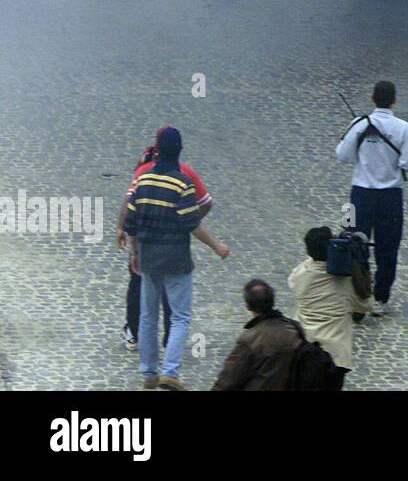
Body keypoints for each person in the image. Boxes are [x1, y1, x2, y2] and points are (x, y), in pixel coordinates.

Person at [116, 126, 228, 351]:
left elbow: (130, 205)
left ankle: (135, 338)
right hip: (174, 248)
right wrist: (184, 222)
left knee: (140, 293)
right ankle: (170, 346)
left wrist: (123, 231)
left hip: (146, 245)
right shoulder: (186, 174)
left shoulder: (143, 173)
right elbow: (206, 202)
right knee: (174, 298)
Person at [124, 127, 207, 391]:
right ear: (180, 151)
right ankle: (170, 371)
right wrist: (218, 247)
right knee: (180, 316)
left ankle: (149, 373)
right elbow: (193, 222)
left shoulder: (143, 179)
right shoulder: (183, 183)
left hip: (148, 256)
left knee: (148, 316)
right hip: (176, 258)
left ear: (156, 150)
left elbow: (131, 221)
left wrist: (135, 252)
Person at [335, 80, 408, 316]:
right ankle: (381, 298)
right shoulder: (403, 127)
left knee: (353, 244)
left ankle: (357, 297)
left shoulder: (359, 123)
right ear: (394, 100)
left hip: (358, 195)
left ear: (373, 98)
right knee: (388, 247)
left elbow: (342, 155)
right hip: (391, 196)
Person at [289, 227, 367, 388]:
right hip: (335, 355)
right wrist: (358, 265)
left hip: (304, 350)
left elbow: (297, 275)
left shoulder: (300, 275)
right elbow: (365, 305)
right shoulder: (346, 282)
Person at [212, 280, 303, 391]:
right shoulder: (295, 329)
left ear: (248, 306)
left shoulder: (249, 340)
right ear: (273, 302)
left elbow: (229, 379)